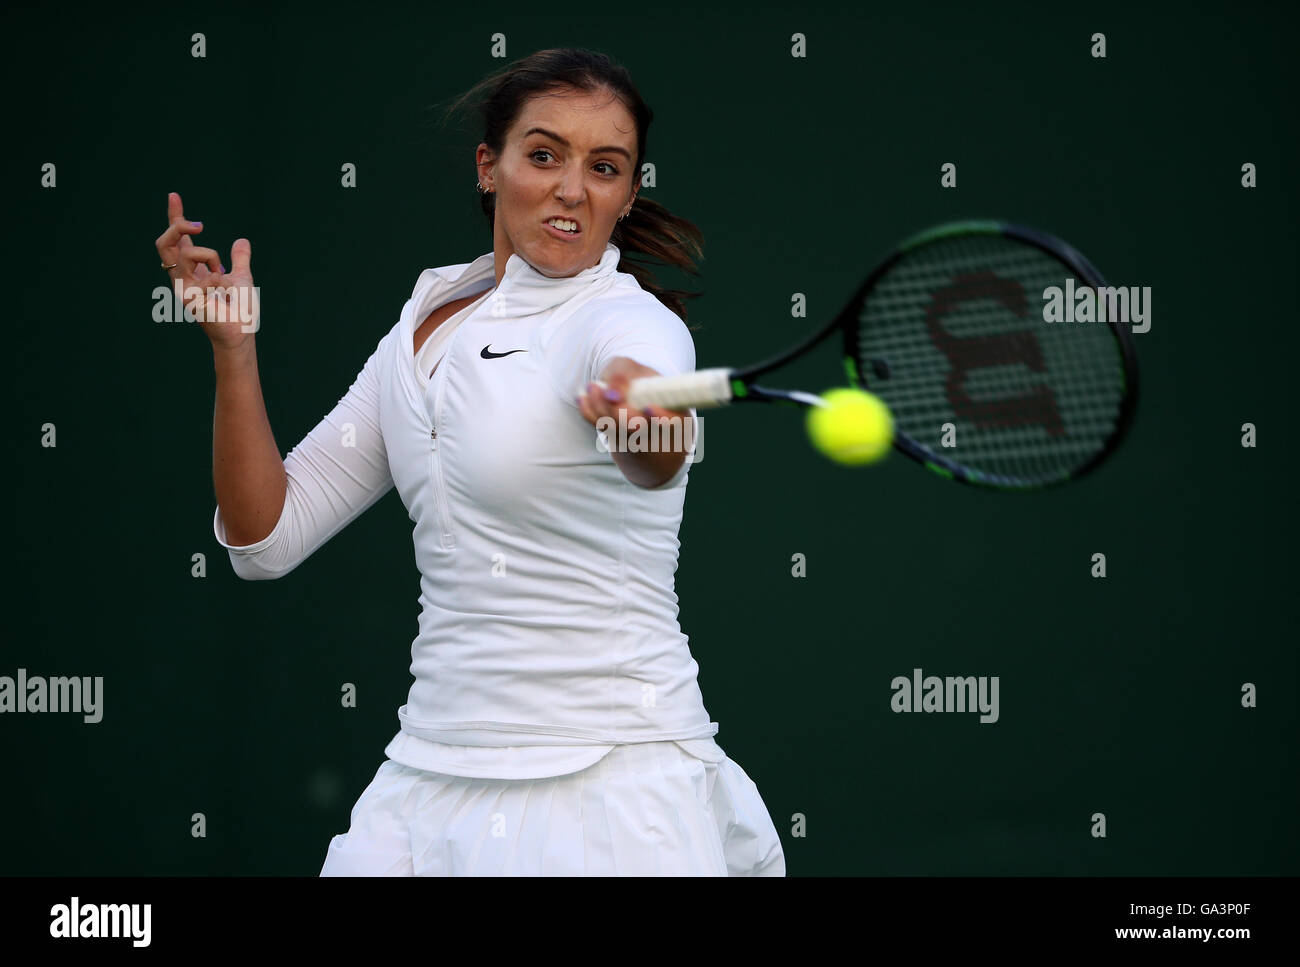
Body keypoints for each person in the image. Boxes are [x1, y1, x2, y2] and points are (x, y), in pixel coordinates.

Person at [156, 47, 785, 876]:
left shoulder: (627, 325)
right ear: (489, 167)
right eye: (544, 154)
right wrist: (234, 354)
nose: (571, 188)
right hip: (426, 784)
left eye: (605, 167)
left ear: (628, 195)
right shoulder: (427, 317)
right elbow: (264, 536)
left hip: (609, 790)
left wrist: (644, 412)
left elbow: (655, 442)